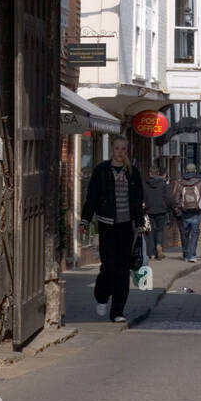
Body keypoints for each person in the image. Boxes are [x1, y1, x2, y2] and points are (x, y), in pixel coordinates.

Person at [80, 134, 145, 324]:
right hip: (107, 224)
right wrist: (85, 220)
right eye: (117, 148)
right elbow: (91, 196)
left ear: (127, 151)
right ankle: (101, 295)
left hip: (127, 226)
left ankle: (118, 311)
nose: (120, 152)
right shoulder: (102, 170)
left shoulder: (132, 172)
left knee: (123, 270)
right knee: (108, 267)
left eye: (123, 149)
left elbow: (138, 199)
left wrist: (140, 224)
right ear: (112, 149)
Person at [172, 162, 201, 262]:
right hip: (197, 212)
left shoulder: (180, 183)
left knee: (185, 234)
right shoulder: (200, 182)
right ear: (195, 170)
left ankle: (185, 255)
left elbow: (176, 199)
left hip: (184, 212)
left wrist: (179, 208)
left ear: (186, 171)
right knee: (195, 234)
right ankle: (192, 255)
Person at [143, 163, 172, 260]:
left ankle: (150, 253)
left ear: (149, 173)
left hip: (149, 210)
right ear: (158, 173)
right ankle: (159, 245)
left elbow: (141, 197)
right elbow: (169, 198)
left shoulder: (145, 184)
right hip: (161, 210)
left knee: (149, 231)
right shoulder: (163, 184)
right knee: (160, 230)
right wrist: (167, 208)